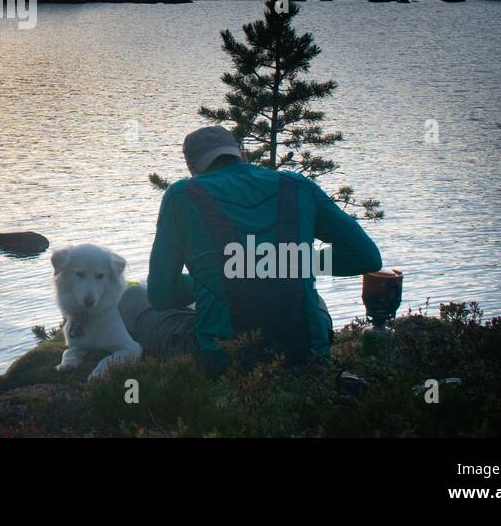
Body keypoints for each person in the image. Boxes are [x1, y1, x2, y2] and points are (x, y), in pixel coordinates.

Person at [119, 125, 382, 373]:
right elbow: (365, 257)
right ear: (241, 155)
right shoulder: (298, 185)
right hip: (307, 352)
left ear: (191, 167)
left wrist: (213, 280)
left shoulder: (182, 196)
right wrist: (284, 263)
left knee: (131, 298)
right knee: (309, 294)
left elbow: (160, 296)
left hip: (224, 358)